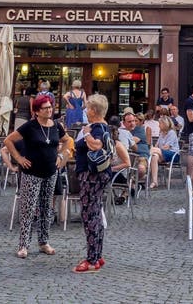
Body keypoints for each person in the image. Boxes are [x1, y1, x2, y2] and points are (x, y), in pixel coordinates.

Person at [3, 93, 70, 259]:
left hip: (50, 172)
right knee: (28, 208)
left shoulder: (56, 125)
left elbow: (68, 141)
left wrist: (61, 156)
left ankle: (44, 242)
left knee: (47, 209)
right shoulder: (30, 126)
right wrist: (18, 158)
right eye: (45, 108)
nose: (49, 110)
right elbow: (8, 141)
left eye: (50, 107)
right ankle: (23, 245)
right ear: (37, 111)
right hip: (31, 173)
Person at [73, 93, 112, 273]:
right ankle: (97, 255)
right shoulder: (104, 127)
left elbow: (96, 145)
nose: (85, 111)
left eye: (87, 108)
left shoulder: (96, 128)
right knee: (95, 214)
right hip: (96, 176)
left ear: (94, 110)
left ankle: (91, 259)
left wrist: (86, 135)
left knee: (90, 216)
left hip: (91, 176)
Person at [148, 115, 180, 188]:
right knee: (154, 156)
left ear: (165, 124)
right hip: (162, 153)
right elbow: (157, 145)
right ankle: (155, 181)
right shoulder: (161, 133)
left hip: (173, 154)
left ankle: (145, 158)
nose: (158, 125)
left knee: (152, 151)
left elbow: (167, 147)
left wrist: (155, 149)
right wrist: (155, 149)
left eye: (160, 123)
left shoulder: (171, 133)